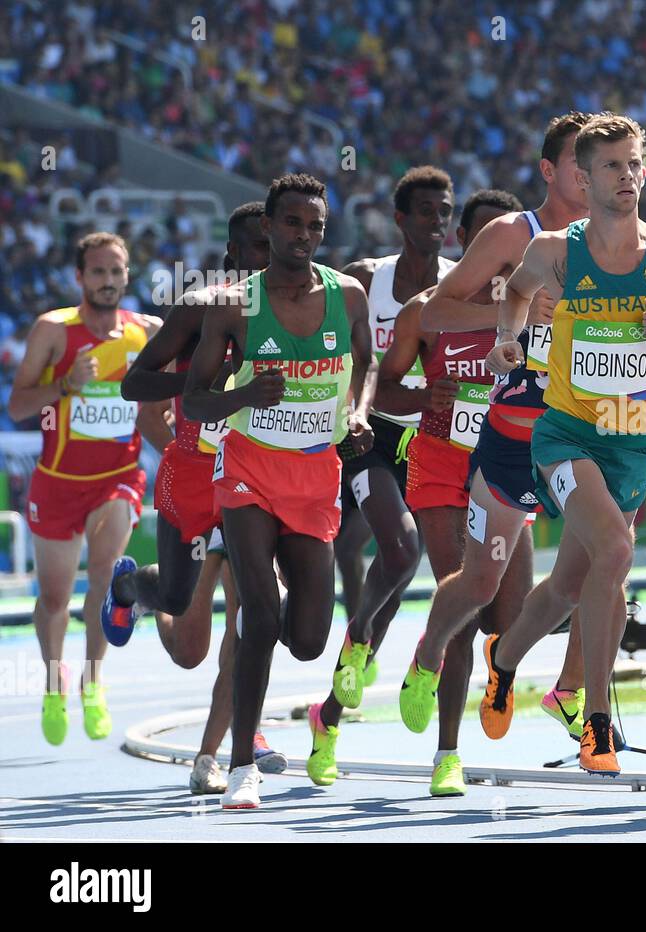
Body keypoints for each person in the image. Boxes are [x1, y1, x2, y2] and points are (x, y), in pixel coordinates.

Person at [431, 112, 646, 778]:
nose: (628, 176)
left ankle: (503, 661)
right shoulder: (555, 251)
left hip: (633, 443)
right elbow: (518, 297)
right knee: (615, 550)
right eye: (613, 166)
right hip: (563, 435)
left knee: (570, 583)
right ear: (584, 180)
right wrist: (509, 338)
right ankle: (595, 720)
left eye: (636, 163)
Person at [307, 188, 527, 797]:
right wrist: (422, 399)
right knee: (434, 581)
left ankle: (359, 690)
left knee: (501, 614)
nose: (500, 263)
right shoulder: (419, 303)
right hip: (406, 448)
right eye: (486, 245)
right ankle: (444, 752)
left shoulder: (533, 306)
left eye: (511, 253)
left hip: (502, 465)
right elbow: (379, 380)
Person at [182, 173, 374, 810]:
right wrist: (242, 396)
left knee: (311, 638)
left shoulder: (347, 296)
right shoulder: (232, 304)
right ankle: (243, 767)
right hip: (248, 466)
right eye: (293, 223)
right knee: (259, 616)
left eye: (316, 226)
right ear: (269, 227)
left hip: (317, 473)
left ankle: (282, 585)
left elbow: (365, 365)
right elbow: (193, 398)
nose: (305, 236)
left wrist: (357, 413)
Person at [404, 114, 592, 740]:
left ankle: (574, 699)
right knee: (485, 586)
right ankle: (431, 648)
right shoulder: (516, 233)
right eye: (581, 162)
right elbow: (435, 310)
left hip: (586, 429)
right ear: (551, 171)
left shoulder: (625, 240)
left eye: (614, 163)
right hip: (511, 428)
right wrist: (508, 301)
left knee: (602, 560)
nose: (598, 175)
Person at [105, 203, 286, 791]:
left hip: (255, 477)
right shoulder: (200, 310)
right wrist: (202, 390)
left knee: (256, 612)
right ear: (234, 257)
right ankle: (134, 585)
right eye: (260, 247)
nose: (274, 254)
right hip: (192, 478)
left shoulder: (300, 306)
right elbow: (135, 385)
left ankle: (220, 753)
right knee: (187, 642)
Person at [8, 232, 168, 745]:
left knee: (103, 579)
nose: (107, 281)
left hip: (118, 479)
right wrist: (66, 385)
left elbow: (156, 409)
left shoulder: (147, 332)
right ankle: (55, 684)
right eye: (97, 272)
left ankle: (93, 683)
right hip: (57, 484)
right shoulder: (54, 331)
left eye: (116, 271)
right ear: (79, 278)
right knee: (55, 597)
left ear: (127, 275)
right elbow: (17, 408)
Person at [323, 167, 460, 725]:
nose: (436, 221)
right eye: (425, 211)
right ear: (400, 219)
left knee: (399, 566)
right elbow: (323, 338)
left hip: (427, 442)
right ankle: (356, 641)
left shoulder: (459, 284)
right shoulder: (362, 280)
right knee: (399, 549)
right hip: (365, 435)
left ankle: (348, 675)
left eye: (444, 211)